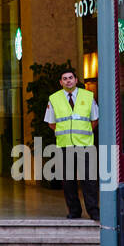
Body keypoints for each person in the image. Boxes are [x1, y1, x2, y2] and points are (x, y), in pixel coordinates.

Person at [46, 68, 99, 220]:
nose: (68, 80)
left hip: (85, 144)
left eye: (71, 78)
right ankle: (74, 211)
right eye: (65, 78)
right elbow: (51, 123)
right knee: (68, 181)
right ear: (60, 82)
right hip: (65, 145)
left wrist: (82, 133)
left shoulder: (88, 96)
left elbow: (94, 120)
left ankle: (93, 211)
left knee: (89, 180)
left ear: (76, 80)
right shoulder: (54, 98)